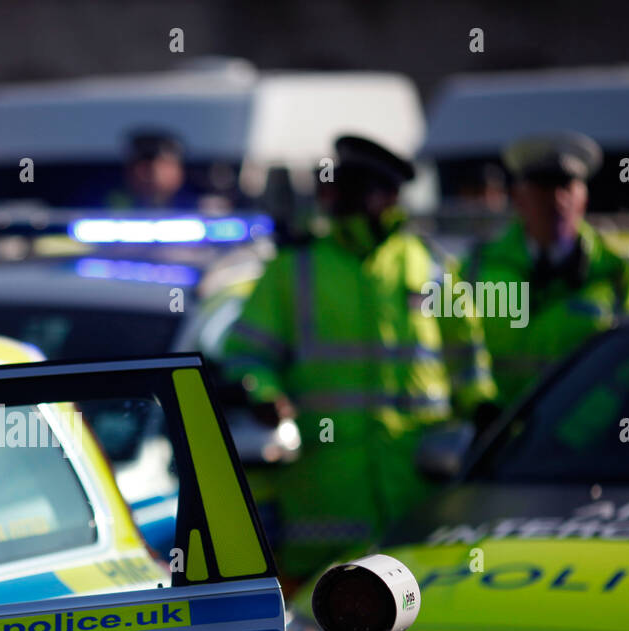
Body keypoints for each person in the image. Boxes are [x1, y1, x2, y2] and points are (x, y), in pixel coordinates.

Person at [212, 135, 495, 586]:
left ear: (388, 195)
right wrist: (263, 394)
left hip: (417, 500)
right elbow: (247, 357)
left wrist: (482, 414)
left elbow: (469, 363)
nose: (334, 196)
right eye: (336, 185)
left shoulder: (435, 267)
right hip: (325, 502)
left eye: (352, 187)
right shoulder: (295, 268)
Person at [463, 132, 629, 411]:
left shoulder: (619, 272)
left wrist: (575, 434)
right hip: (500, 444)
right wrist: (482, 410)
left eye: (566, 186)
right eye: (543, 188)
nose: (557, 199)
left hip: (585, 444)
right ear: (518, 199)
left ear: (584, 198)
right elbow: (458, 354)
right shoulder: (478, 268)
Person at [106, 130, 197, 210]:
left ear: (180, 171)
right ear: (129, 170)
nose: (153, 172)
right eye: (144, 166)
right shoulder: (108, 206)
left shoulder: (199, 206)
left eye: (165, 164)